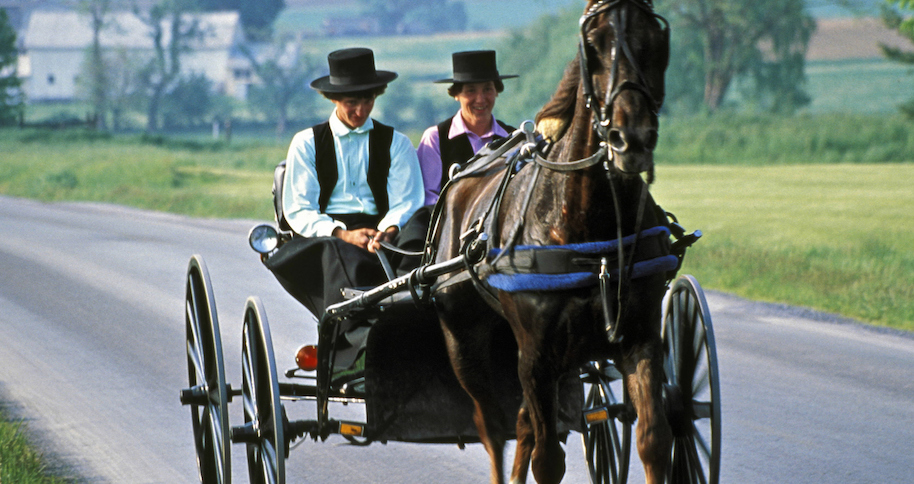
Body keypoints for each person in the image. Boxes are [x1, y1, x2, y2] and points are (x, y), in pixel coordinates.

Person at [264, 48, 424, 365]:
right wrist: (342, 233)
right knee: (336, 252)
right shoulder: (307, 142)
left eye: (368, 101)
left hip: (385, 233)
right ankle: (360, 334)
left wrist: (389, 229)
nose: (361, 110)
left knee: (424, 220)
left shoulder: (397, 143)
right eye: (352, 103)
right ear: (333, 99)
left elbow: (408, 199)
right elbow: (300, 209)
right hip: (326, 236)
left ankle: (411, 304)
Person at [416, 50, 518, 206]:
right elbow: (429, 197)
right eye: (471, 90)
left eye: (487, 89)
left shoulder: (513, 138)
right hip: (451, 227)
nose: (480, 99)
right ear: (456, 94)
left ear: (496, 92)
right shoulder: (436, 138)